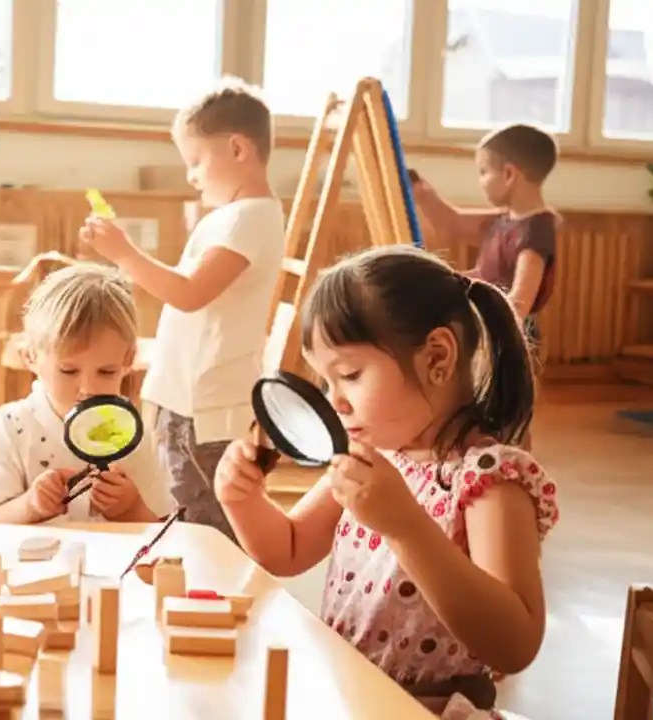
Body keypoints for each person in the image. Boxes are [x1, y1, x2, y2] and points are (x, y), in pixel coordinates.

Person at [216, 246, 558, 717]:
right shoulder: (375, 458)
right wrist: (242, 498)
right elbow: (288, 549)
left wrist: (406, 527)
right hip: (350, 700)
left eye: (350, 375)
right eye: (327, 382)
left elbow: (514, 644)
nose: (335, 401)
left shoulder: (489, 478)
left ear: (437, 357)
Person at [79, 76, 285, 542]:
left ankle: (208, 585)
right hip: (191, 402)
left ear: (237, 148)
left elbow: (190, 293)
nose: (191, 176)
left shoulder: (249, 218)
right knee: (190, 518)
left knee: (204, 529)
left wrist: (125, 254)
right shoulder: (236, 217)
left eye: (195, 161)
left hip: (206, 408)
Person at [0, 265, 173, 524]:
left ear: (128, 360)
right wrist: (30, 505)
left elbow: (161, 530)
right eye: (68, 371)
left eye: (106, 371)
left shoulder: (136, 435)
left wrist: (131, 509)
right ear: (30, 357)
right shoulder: (9, 427)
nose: (88, 388)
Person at [412, 123, 560, 348]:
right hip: (490, 327)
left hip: (507, 339)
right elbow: (453, 223)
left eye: (484, 172)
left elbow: (519, 304)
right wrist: (423, 194)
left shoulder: (535, 232)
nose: (480, 181)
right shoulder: (506, 219)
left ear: (509, 174)